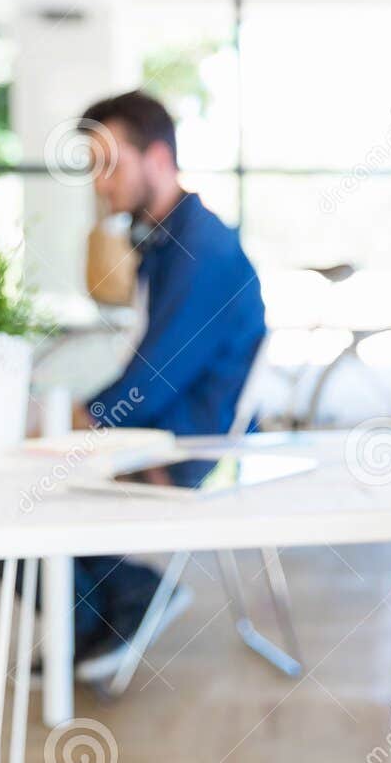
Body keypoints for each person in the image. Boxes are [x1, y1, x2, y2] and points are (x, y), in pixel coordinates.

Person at [67, 90, 266, 682]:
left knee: (29, 491)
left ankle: (134, 597)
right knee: (34, 476)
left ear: (156, 158)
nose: (100, 186)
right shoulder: (166, 237)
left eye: (110, 166)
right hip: (173, 425)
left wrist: (88, 419)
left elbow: (154, 377)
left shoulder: (199, 248)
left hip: (195, 444)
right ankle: (99, 627)